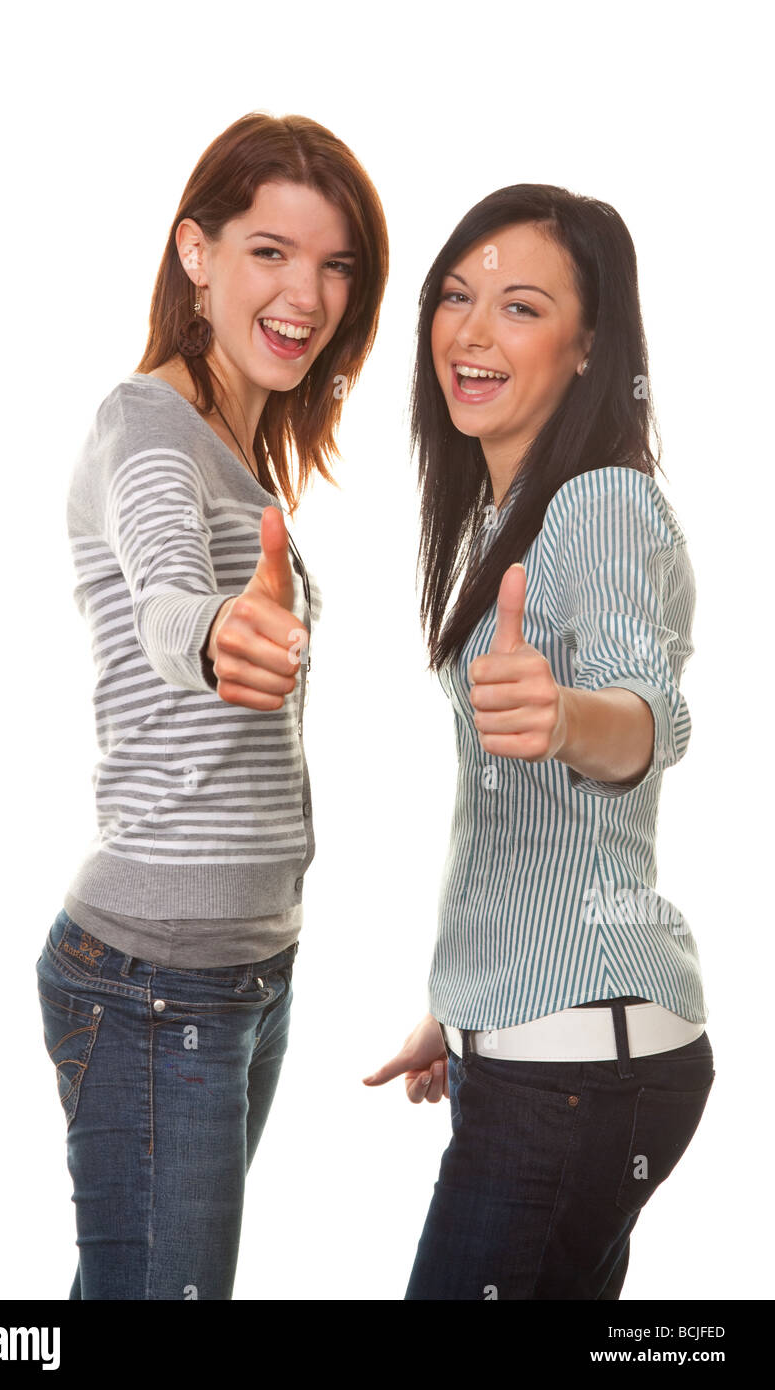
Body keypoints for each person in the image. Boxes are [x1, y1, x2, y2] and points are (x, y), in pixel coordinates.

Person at [36, 111, 389, 1300]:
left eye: (337, 263)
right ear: (196, 253)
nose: (310, 292)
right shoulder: (146, 427)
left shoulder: (235, 441)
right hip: (153, 979)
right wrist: (214, 636)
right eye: (270, 252)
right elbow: (167, 596)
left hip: (242, 969)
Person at [364, 184, 714, 1300]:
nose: (470, 332)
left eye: (518, 307)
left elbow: (645, 716)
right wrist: (468, 1001)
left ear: (587, 347)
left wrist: (570, 718)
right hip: (570, 1046)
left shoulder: (601, 500)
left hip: (571, 1075)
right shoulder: (500, 517)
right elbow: (526, 833)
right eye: (456, 296)